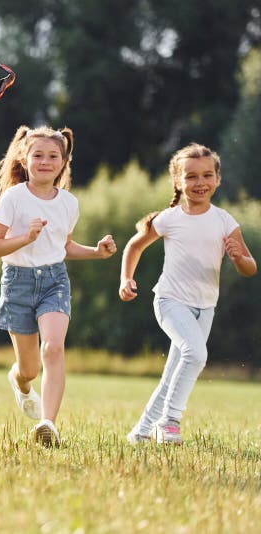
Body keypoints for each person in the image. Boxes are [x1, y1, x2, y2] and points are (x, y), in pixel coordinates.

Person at [0, 125, 117, 447]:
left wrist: (96, 253)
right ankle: (20, 380)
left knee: (53, 348)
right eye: (38, 155)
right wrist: (25, 238)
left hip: (54, 281)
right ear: (24, 158)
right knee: (29, 368)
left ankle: (48, 424)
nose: (45, 161)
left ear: (63, 161)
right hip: (18, 283)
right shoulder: (13, 198)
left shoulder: (69, 203)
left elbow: (64, 247)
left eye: (53, 156)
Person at [119, 143, 256, 445]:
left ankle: (140, 433)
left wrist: (238, 258)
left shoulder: (224, 221)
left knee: (173, 375)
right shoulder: (170, 219)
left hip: (205, 307)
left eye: (207, 175)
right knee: (196, 355)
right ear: (178, 182)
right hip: (170, 301)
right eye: (191, 177)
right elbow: (134, 245)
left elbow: (250, 267)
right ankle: (169, 423)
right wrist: (126, 279)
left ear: (217, 179)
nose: (200, 183)